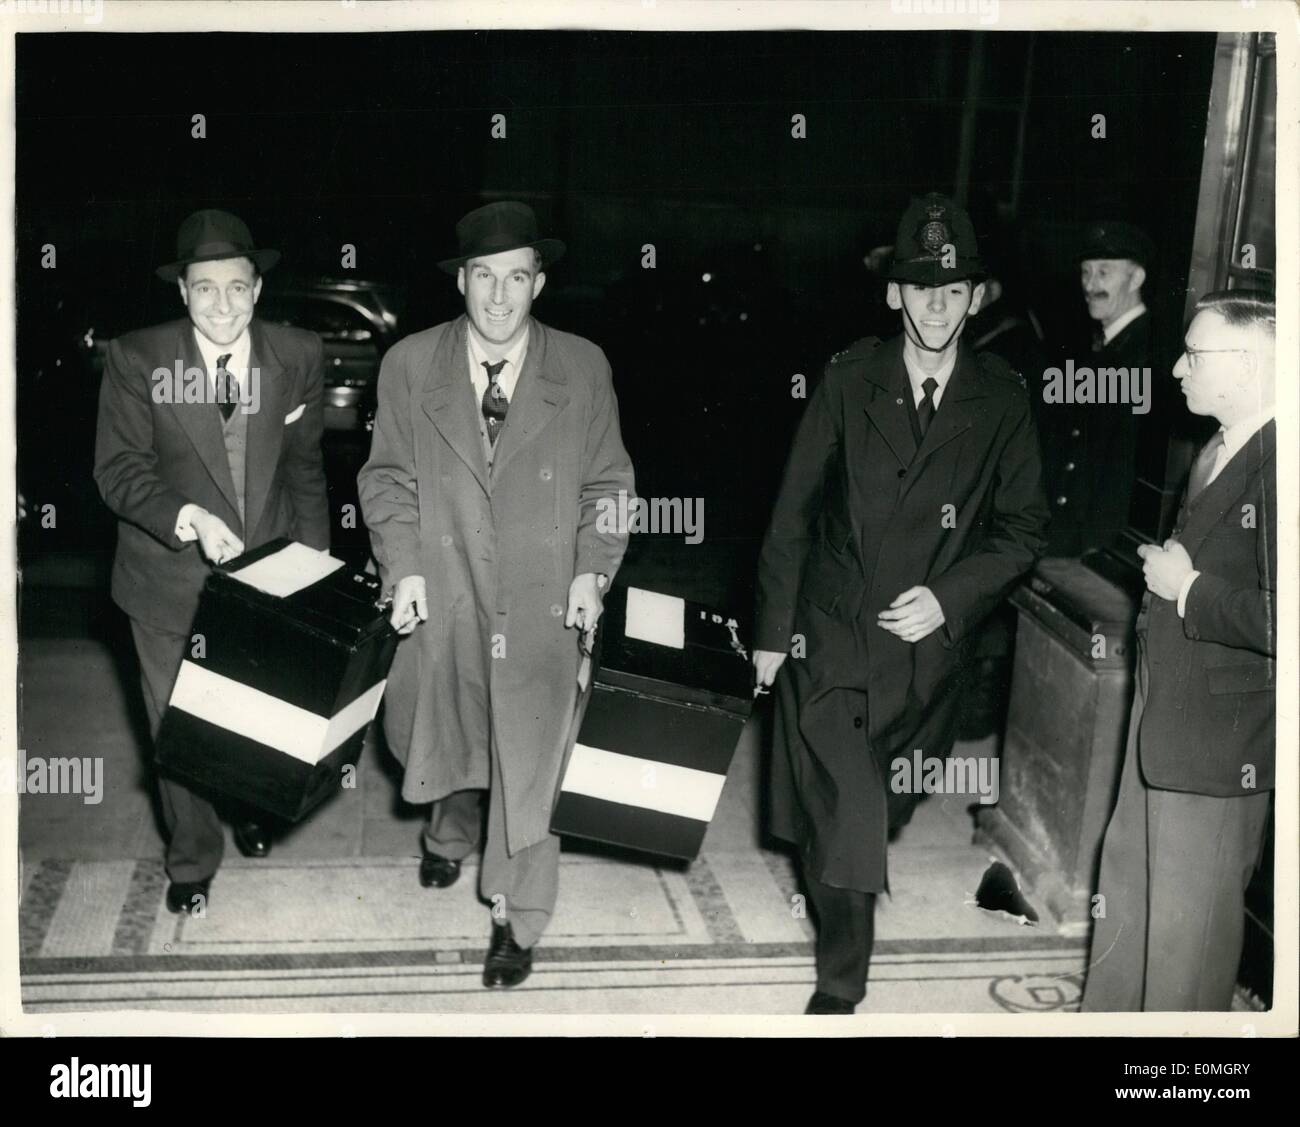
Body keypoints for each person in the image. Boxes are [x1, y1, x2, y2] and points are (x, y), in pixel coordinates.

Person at [752, 193, 1048, 1014]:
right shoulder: (850, 378)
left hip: (928, 656)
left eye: (954, 292)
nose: (938, 307)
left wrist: (949, 599)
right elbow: (791, 513)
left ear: (975, 298)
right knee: (849, 814)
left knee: (873, 808)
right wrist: (774, 632)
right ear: (895, 296)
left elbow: (1024, 530)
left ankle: (830, 867)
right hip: (834, 635)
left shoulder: (1004, 398)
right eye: (922, 290)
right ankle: (841, 986)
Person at [358, 201, 635, 989]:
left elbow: (611, 486)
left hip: (545, 600)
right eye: (486, 277)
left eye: (518, 277)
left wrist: (593, 568)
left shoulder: (581, 367)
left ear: (540, 283)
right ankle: (448, 833)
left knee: (531, 757)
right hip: (445, 593)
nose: (501, 297)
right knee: (445, 731)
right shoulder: (411, 365)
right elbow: (385, 480)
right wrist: (402, 565)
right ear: (462, 282)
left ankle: (516, 913)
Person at [94, 208, 330, 914]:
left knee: (257, 717)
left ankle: (252, 806)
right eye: (205, 289)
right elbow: (118, 470)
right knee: (178, 727)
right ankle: (192, 855)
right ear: (182, 293)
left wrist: (314, 564)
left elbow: (306, 468)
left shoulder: (298, 354)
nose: (221, 305)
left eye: (236, 288)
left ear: (257, 290)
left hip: (267, 570)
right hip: (165, 576)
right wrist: (188, 518)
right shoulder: (138, 358)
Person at [1081, 290, 1276, 1012]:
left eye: (1195, 354)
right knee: (1129, 895)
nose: (1175, 368)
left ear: (1256, 363)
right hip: (1165, 712)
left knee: (1186, 940)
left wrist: (1188, 587)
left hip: (1223, 743)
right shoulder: (1220, 448)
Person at [1041, 220, 1157, 556]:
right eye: (1086, 273)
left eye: (1104, 273)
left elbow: (1124, 464)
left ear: (1136, 279)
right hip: (1066, 538)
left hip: (1097, 548)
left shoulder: (1147, 352)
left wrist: (1088, 547)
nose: (1091, 285)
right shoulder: (1100, 345)